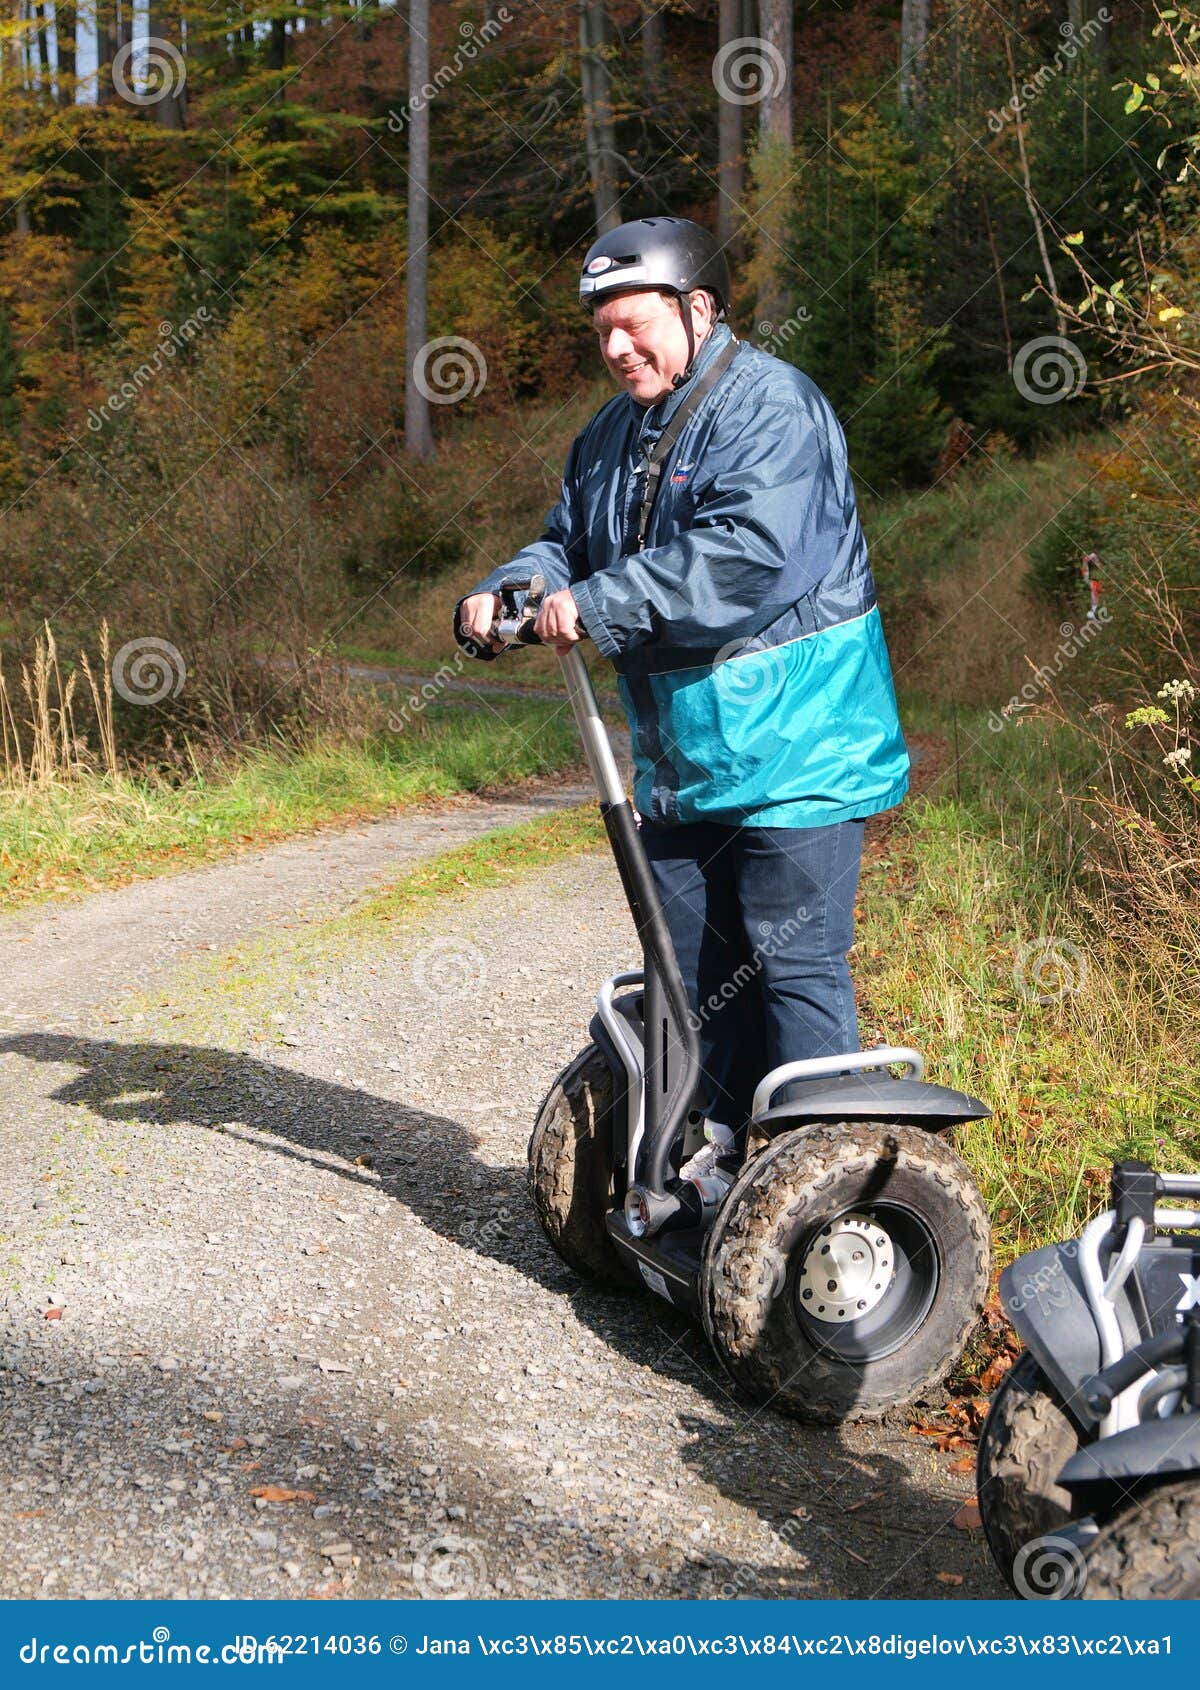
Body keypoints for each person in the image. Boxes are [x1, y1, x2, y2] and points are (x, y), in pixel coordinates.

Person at [455, 215, 909, 1144]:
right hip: (685, 760)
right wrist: (515, 588)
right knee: (690, 974)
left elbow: (750, 556)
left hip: (799, 749)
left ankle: (825, 1191)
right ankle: (715, 1159)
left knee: (794, 978)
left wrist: (603, 601)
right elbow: (568, 543)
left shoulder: (772, 408)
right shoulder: (608, 439)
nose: (617, 349)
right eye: (602, 333)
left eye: (636, 325)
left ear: (698, 310)